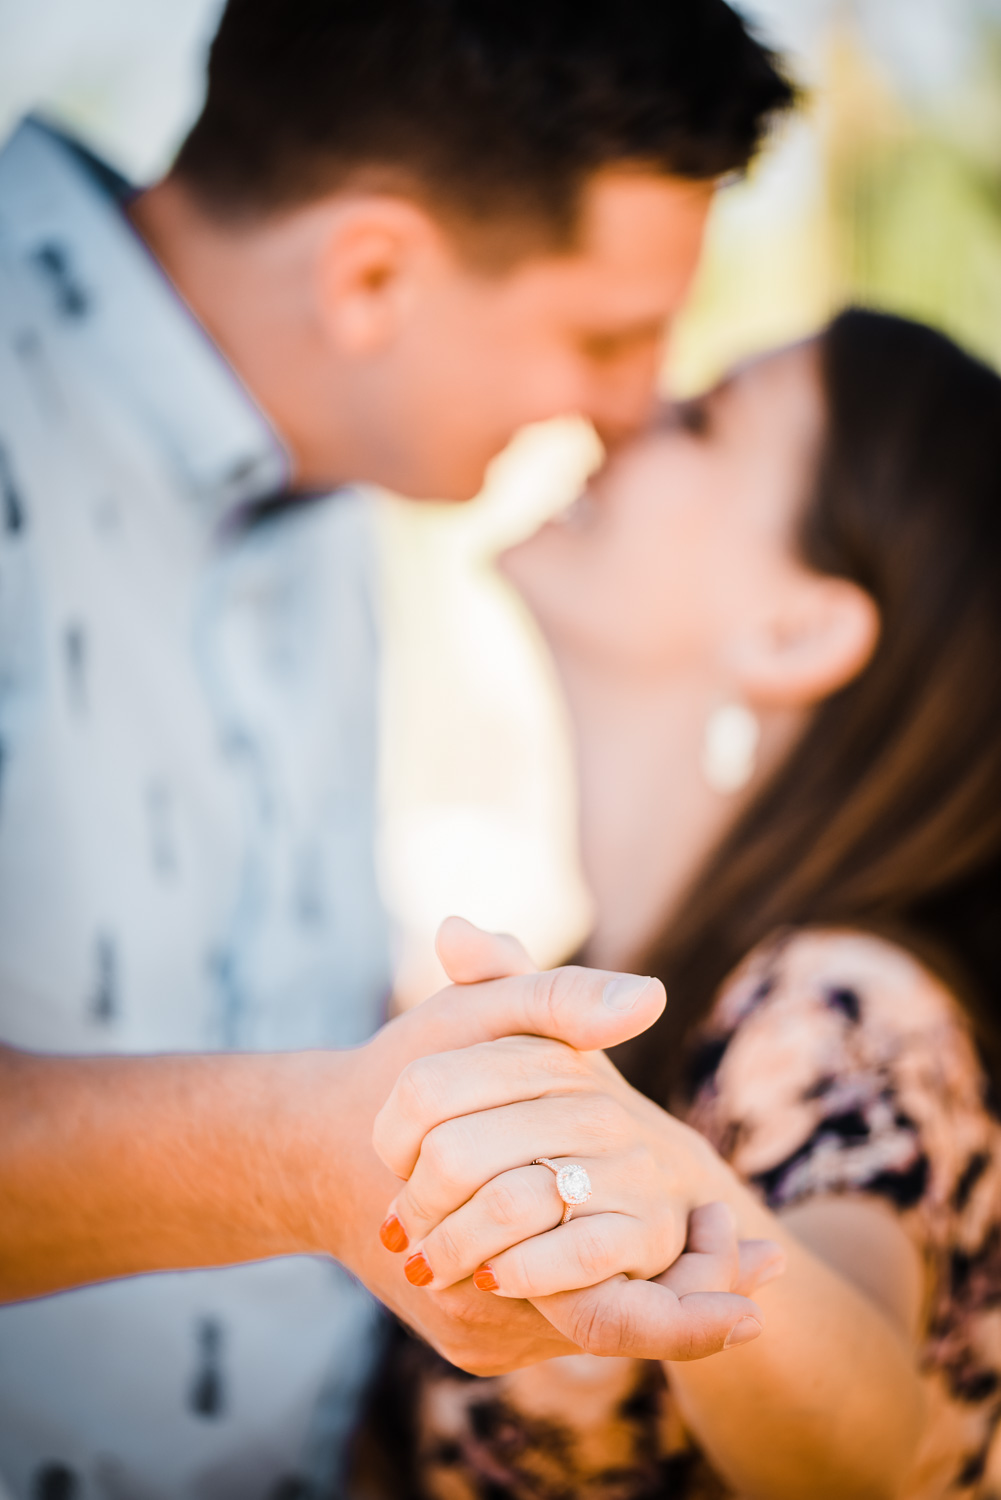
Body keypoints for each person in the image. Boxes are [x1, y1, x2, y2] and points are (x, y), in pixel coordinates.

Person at [0, 1, 795, 1495]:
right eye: (606, 336)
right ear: (370, 273)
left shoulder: (340, 477)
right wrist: (314, 1155)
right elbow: (302, 1131)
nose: (633, 411)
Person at [368, 310, 1001, 1498]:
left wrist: (674, 1212)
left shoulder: (841, 1003)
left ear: (796, 626)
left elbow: (858, 1429)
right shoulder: (655, 976)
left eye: (703, 420)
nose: (625, 413)